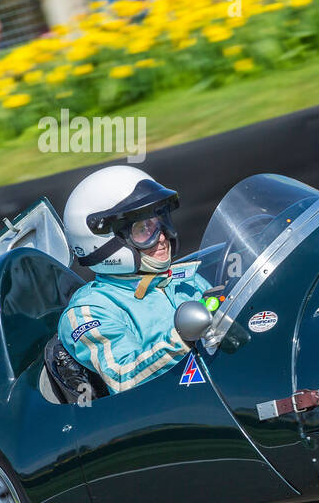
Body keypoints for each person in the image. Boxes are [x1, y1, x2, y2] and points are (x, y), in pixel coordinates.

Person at [59, 166, 214, 395]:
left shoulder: (185, 280)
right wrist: (182, 338)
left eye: (161, 221)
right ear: (104, 241)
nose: (162, 237)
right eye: (144, 229)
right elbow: (123, 377)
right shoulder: (90, 310)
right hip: (172, 413)